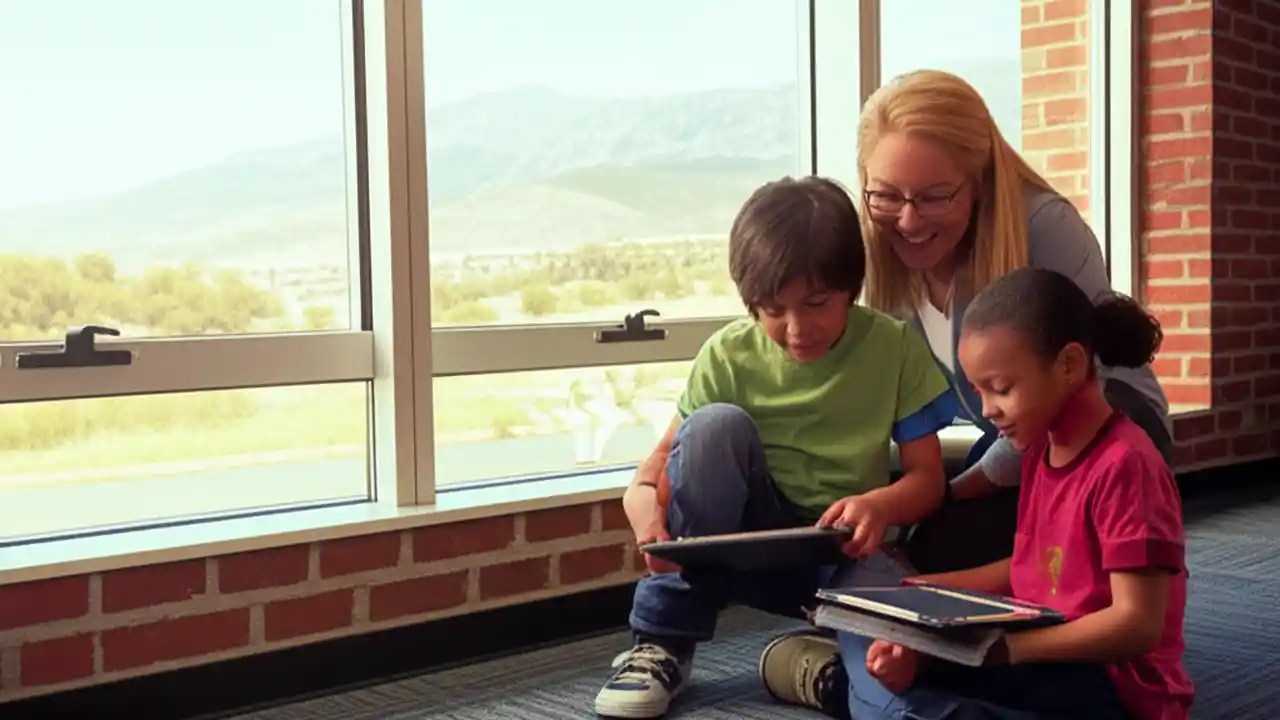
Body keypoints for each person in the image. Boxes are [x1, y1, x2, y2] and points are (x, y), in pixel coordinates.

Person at [594, 175, 957, 719]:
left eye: (816, 304)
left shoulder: (893, 346)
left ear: (851, 289)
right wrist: (645, 506)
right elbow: (665, 464)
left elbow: (927, 480)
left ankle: (819, 674)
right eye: (772, 310)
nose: (796, 329)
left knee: (895, 682)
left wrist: (880, 505)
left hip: (842, 550)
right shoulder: (727, 354)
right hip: (737, 544)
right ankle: (661, 641)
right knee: (714, 426)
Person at [767, 267, 1195, 719]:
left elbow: (1137, 625)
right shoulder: (1041, 452)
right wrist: (914, 595)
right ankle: (872, 692)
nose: (989, 411)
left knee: (934, 677)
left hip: (1112, 685)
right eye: (978, 392)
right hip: (1048, 652)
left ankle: (860, 693)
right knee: (889, 637)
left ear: (1069, 365)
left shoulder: (1126, 465)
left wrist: (1004, 649)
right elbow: (1033, 570)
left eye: (1001, 389)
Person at [847, 68, 1174, 575]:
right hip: (1010, 434)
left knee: (957, 551)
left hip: (1103, 423)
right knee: (931, 549)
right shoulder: (879, 259)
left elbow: (1082, 385)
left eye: (935, 196)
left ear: (979, 181)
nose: (908, 222)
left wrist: (953, 493)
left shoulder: (1045, 227)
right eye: (886, 195)